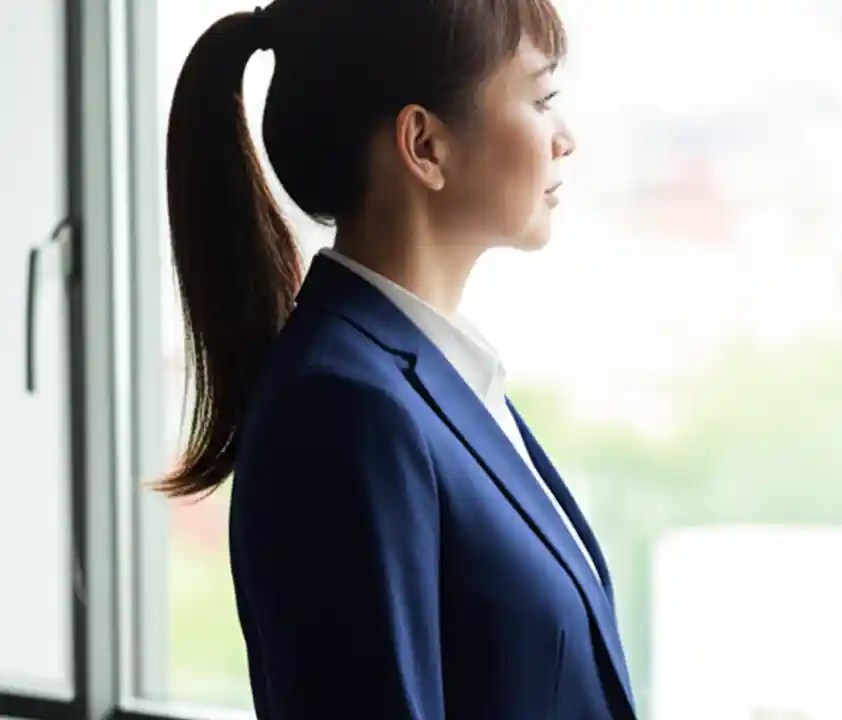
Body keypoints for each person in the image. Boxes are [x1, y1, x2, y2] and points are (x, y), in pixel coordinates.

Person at [156, 1, 635, 717]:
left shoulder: (433, 378)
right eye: (540, 98)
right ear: (424, 145)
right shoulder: (346, 408)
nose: (563, 138)